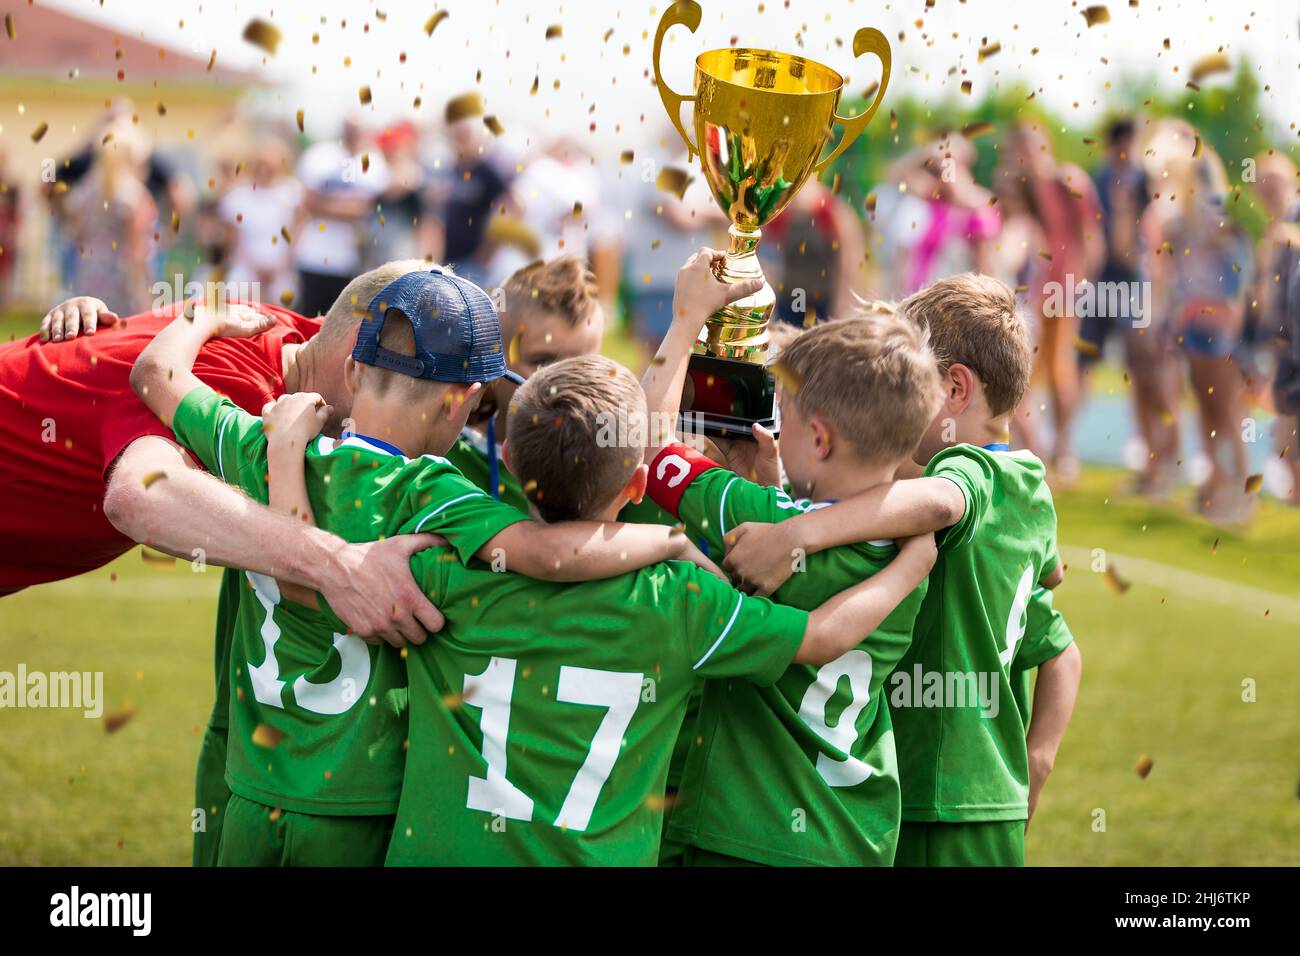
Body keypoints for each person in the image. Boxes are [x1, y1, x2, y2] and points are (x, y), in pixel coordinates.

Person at [128, 267, 723, 865]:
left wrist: (202, 315)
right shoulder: (434, 493)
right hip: (361, 806)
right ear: (462, 404)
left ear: (355, 371)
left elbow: (155, 374)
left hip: (252, 794)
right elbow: (548, 554)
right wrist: (667, 542)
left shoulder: (263, 443)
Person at [371, 353, 934, 865]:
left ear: (511, 461)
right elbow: (818, 638)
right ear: (637, 486)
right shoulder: (681, 599)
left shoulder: (440, 575)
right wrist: (912, 564)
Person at [7, 262, 468, 866]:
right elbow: (139, 491)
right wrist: (338, 564)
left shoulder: (291, 340)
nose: (453, 428)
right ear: (362, 365)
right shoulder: (237, 380)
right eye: (442, 399)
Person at [723, 273, 1070, 866]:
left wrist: (792, 535)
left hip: (937, 796)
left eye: (913, 383)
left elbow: (939, 501)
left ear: (956, 391)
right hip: (987, 800)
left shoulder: (970, 472)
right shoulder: (1027, 491)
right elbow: (1062, 648)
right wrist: (1036, 760)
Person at [635, 250, 945, 866]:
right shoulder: (909, 552)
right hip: (853, 834)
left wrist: (685, 317)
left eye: (789, 421)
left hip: (744, 831)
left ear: (821, 438)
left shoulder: (758, 517)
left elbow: (645, 447)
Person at [1145, 124, 1254, 522]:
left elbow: (1234, 259)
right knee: (1207, 409)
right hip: (1192, 319)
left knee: (1226, 408)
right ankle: (1216, 483)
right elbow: (1171, 265)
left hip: (1218, 320)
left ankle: (1243, 489)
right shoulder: (1180, 218)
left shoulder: (1216, 213)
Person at [444, 256, 606, 510]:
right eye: (541, 362)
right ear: (491, 358)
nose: (563, 381)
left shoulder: (609, 462)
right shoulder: (449, 456)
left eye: (580, 365)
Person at [1003, 120, 1105, 486]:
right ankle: (1033, 447)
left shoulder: (1068, 182)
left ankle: (1064, 447)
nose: (1025, 157)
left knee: (1061, 372)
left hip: (1062, 292)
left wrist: (1080, 285)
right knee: (1022, 372)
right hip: (1029, 294)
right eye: (1018, 150)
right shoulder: (1018, 189)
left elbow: (1091, 238)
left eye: (1030, 148)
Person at [293, 119, 390, 317]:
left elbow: (362, 209)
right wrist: (345, 205)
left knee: (339, 322)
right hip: (312, 254)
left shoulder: (373, 161)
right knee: (307, 317)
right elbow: (306, 201)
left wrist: (322, 204)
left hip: (349, 258)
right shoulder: (319, 155)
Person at [63, 121, 158, 316]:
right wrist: (146, 295)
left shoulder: (85, 191)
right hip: (123, 279)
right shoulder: (133, 194)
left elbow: (74, 231)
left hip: (89, 273)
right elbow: (137, 251)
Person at [422, 93, 510, 288]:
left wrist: (487, 254)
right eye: (456, 137)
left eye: (464, 136)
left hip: (476, 263)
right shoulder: (452, 170)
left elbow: (511, 210)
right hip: (449, 261)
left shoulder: (488, 172)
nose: (460, 142)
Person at [761, 179, 866, 327]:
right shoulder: (781, 210)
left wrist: (843, 300)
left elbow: (849, 259)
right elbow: (763, 248)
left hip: (823, 299)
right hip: (789, 297)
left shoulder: (828, 210)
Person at [216, 137, 303, 306]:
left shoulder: (293, 193)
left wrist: (280, 267)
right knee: (235, 295)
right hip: (245, 267)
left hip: (281, 269)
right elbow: (233, 239)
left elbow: (297, 232)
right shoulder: (236, 197)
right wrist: (255, 268)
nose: (264, 170)